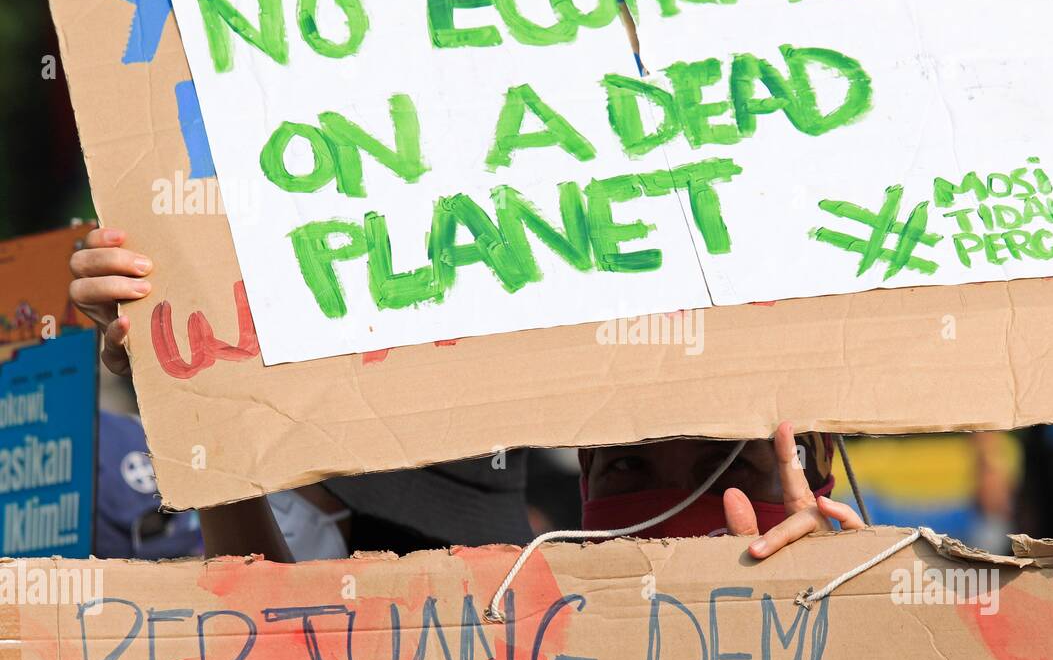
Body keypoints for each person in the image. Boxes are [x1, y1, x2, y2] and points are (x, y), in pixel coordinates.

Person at [71, 227, 864, 561]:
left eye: (735, 472)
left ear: (817, 469)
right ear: (583, 472)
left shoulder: (911, 623)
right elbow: (273, 655)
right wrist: (200, 398)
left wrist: (840, 620)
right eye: (628, 470)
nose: (691, 517)